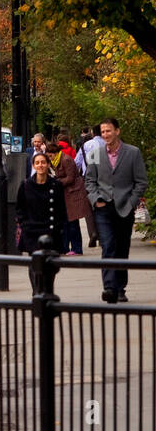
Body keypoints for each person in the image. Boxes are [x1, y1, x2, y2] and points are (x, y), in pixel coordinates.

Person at [85, 117, 148, 303]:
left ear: (117, 131)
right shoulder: (96, 153)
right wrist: (96, 200)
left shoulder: (133, 153)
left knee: (121, 248)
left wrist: (131, 202)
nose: (105, 134)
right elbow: (89, 180)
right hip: (103, 207)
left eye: (109, 131)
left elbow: (141, 181)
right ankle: (110, 288)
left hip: (124, 208)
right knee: (107, 245)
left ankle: (120, 288)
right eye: (103, 132)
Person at [15, 150, 67, 254]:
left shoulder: (56, 185)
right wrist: (25, 224)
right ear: (33, 166)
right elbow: (20, 208)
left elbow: (61, 209)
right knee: (34, 266)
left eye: (43, 162)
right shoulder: (25, 185)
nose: (40, 165)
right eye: (37, 163)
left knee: (50, 266)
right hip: (31, 232)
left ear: (48, 165)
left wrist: (59, 227)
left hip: (51, 232)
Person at [50, 138, 92, 255]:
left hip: (73, 194)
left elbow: (70, 178)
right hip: (66, 195)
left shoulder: (66, 160)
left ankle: (76, 248)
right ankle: (65, 248)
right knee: (65, 222)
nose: (49, 158)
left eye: (50, 156)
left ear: (55, 153)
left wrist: (57, 182)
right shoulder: (57, 160)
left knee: (72, 222)